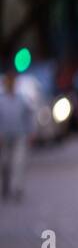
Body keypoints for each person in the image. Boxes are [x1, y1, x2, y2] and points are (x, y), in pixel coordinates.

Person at [0, 66, 35, 202]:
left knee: (19, 162)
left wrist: (31, 131)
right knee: (5, 163)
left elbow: (28, 116)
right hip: (3, 136)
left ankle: (17, 188)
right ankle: (6, 185)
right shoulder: (1, 100)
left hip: (20, 135)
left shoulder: (21, 99)